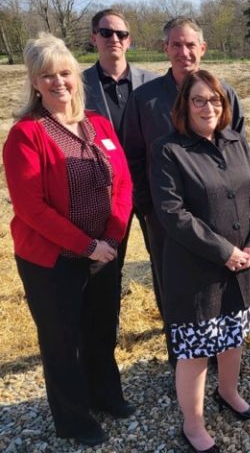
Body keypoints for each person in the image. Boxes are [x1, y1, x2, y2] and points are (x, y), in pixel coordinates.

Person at [2, 33, 134, 447]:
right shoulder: (26, 134)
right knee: (62, 341)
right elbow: (31, 208)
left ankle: (105, 394)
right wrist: (86, 245)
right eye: (47, 76)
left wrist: (112, 235)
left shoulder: (97, 123)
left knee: (100, 329)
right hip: (53, 259)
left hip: (104, 250)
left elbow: (124, 182)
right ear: (35, 83)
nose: (58, 82)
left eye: (64, 73)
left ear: (76, 76)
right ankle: (73, 419)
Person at [150, 70, 250, 453]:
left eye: (215, 100)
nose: (208, 107)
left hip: (241, 267)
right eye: (198, 100)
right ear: (184, 105)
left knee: (233, 338)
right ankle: (193, 425)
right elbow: (173, 214)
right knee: (197, 350)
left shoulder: (235, 142)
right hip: (197, 272)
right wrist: (225, 252)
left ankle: (229, 393)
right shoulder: (170, 150)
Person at [122, 17, 244, 363]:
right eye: (176, 44)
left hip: (219, 213)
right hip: (167, 217)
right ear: (165, 49)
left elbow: (239, 150)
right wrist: (147, 207)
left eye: (191, 44)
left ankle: (224, 358)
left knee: (222, 282)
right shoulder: (145, 99)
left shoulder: (224, 93)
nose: (184, 52)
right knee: (173, 286)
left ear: (203, 49)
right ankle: (184, 359)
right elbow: (132, 155)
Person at [83, 8, 159, 279]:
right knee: (107, 266)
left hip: (150, 185)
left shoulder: (154, 84)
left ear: (128, 40)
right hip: (105, 190)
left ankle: (171, 320)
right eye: (106, 32)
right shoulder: (77, 86)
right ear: (94, 38)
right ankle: (107, 322)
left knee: (163, 258)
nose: (113, 38)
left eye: (121, 33)